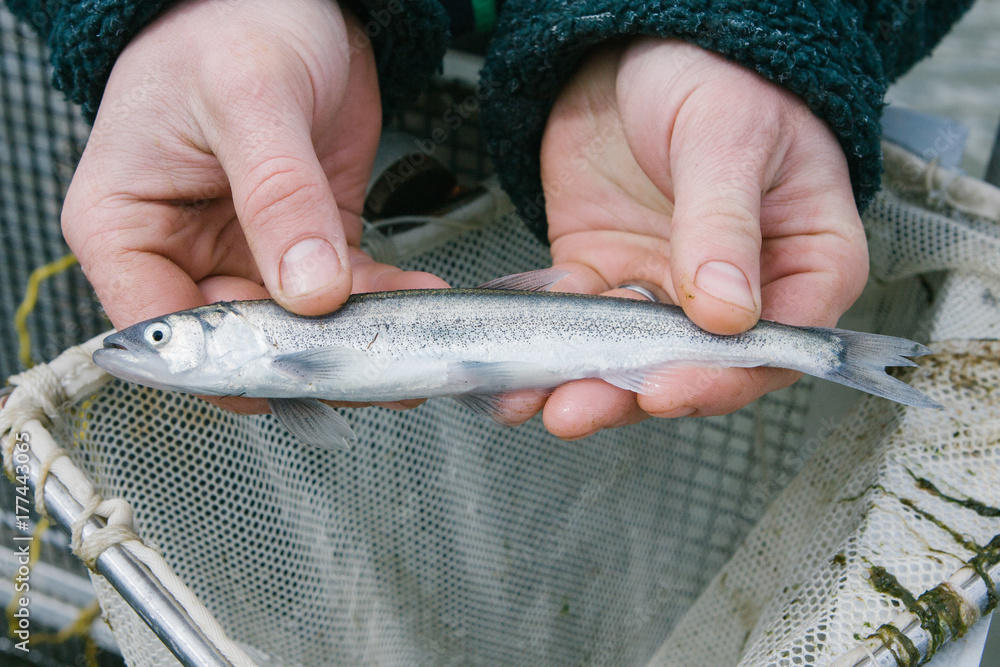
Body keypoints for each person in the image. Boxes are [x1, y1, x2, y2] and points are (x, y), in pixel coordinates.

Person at [7, 0, 975, 438]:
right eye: (159, 338)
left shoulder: (276, 350)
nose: (143, 341)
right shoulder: (272, 351)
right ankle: (824, 351)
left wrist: (752, 25)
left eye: (166, 335)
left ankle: (820, 348)